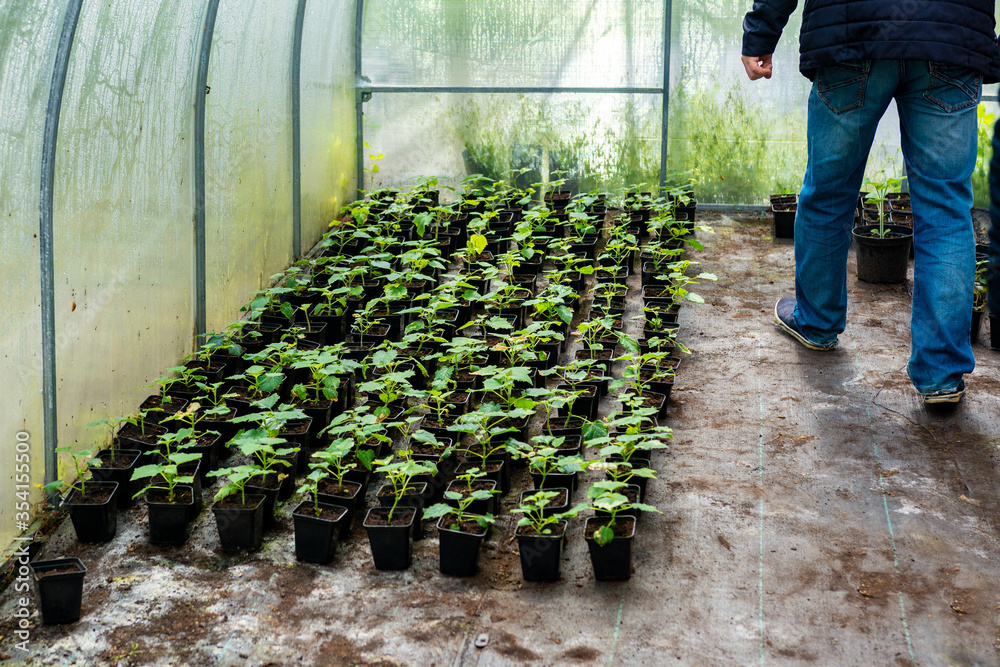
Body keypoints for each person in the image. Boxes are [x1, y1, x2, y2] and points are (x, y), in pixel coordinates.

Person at [742, 1, 1000, 404]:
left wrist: (761, 32)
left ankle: (817, 322)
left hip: (852, 32)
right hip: (950, 36)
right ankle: (941, 374)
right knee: (945, 210)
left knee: (829, 195)